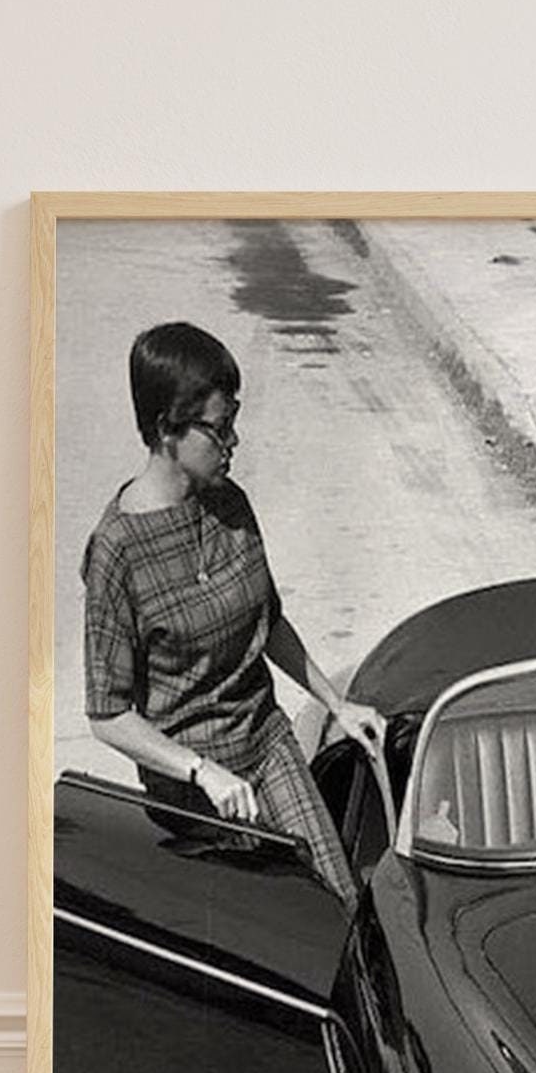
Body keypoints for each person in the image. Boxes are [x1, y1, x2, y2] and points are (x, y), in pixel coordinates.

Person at [82, 321, 382, 901]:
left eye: (233, 421)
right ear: (168, 429)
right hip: (191, 792)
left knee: (338, 902)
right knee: (263, 938)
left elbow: (267, 623)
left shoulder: (231, 503)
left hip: (267, 743)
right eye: (220, 429)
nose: (234, 442)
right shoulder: (116, 551)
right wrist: (200, 772)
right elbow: (107, 714)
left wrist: (337, 704)